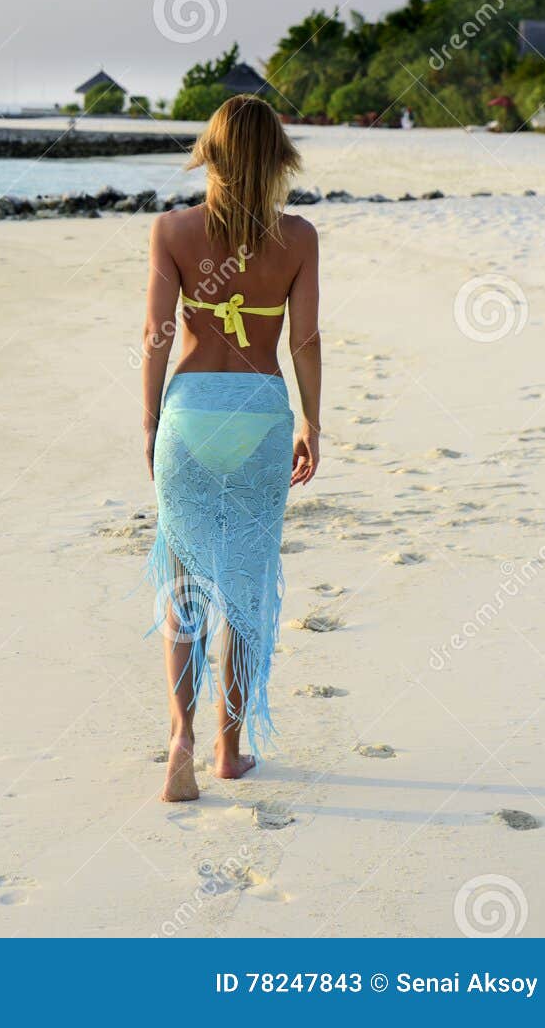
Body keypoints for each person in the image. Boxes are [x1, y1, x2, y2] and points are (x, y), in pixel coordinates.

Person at [141, 96, 321, 801]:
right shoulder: (298, 237)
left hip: (187, 415)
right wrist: (314, 421)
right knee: (245, 590)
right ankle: (228, 749)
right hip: (260, 416)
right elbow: (303, 340)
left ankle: (180, 737)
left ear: (208, 157)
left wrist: (150, 426)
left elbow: (156, 336)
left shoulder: (172, 231)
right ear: (277, 160)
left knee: (182, 584)